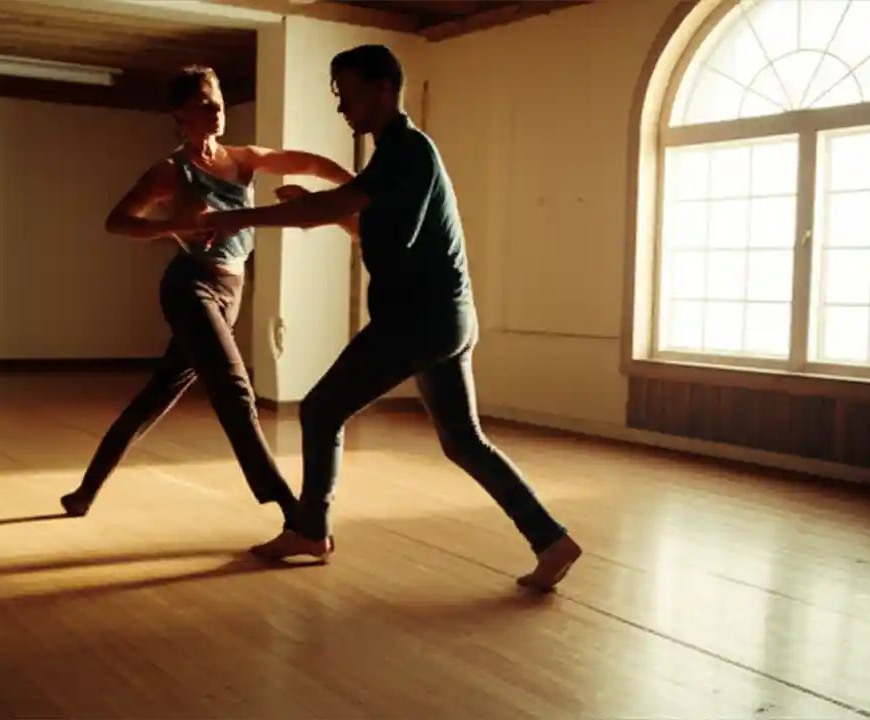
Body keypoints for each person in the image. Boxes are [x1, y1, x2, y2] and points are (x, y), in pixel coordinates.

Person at [155, 46, 582, 591]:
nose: (342, 108)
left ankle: (310, 530)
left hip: (419, 319)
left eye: (347, 94)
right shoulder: (395, 156)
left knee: (320, 410)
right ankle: (552, 539)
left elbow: (342, 213)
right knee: (463, 441)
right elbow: (358, 224)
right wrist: (321, 208)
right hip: (445, 318)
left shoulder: (407, 151)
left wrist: (248, 215)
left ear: (381, 89)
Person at [60, 66, 355, 528]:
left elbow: (314, 165)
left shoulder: (244, 158)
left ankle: (84, 492)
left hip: (230, 291)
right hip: (190, 287)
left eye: (218, 100)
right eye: (204, 103)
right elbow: (118, 221)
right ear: (180, 113)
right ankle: (287, 505)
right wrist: (179, 225)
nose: (217, 110)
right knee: (237, 390)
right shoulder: (171, 171)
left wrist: (359, 188)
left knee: (157, 395)